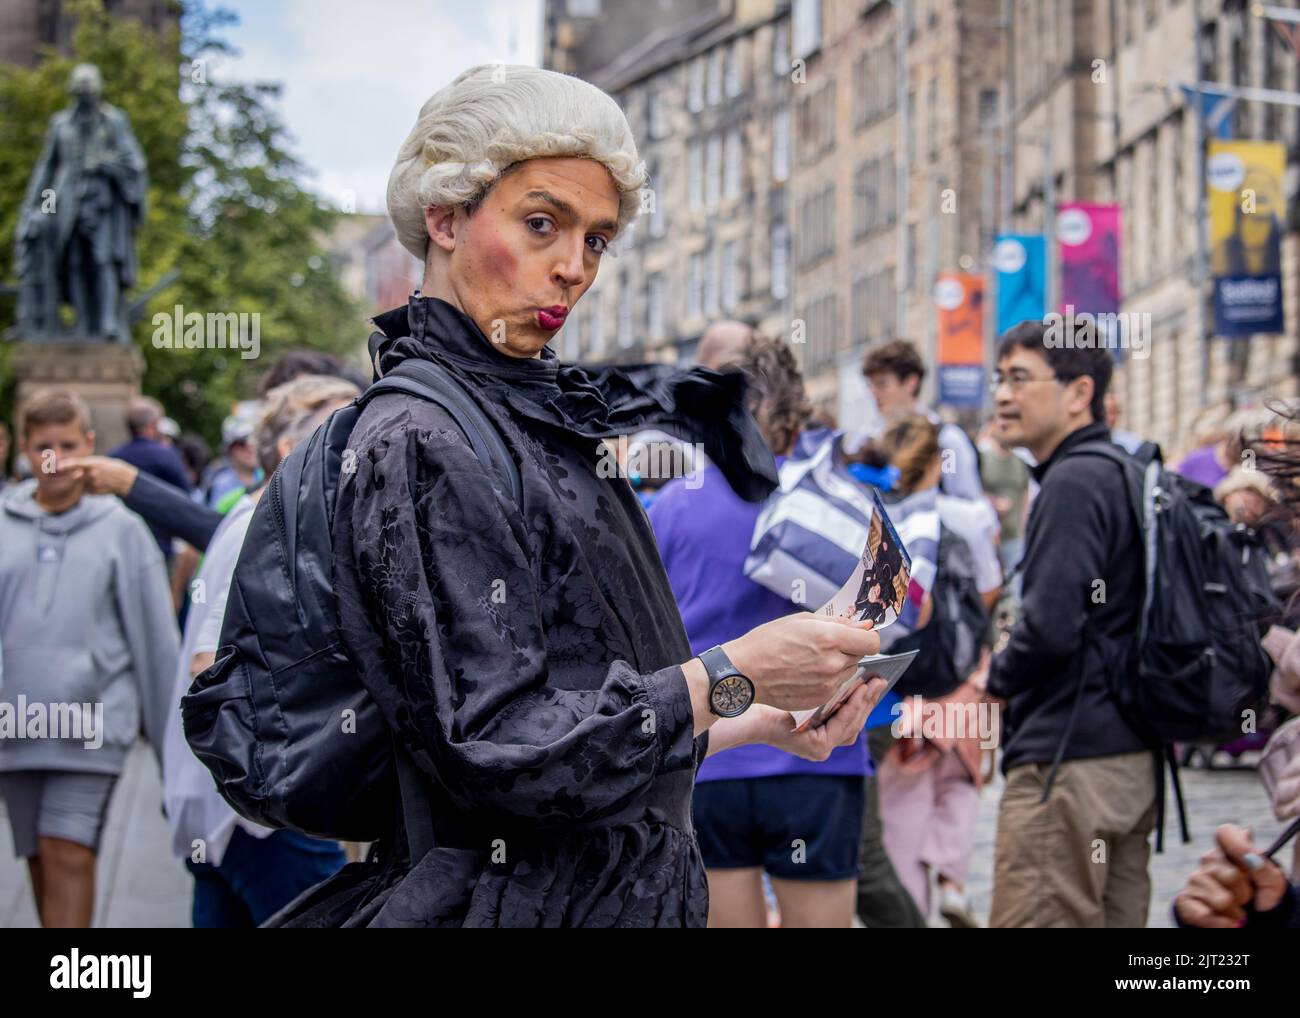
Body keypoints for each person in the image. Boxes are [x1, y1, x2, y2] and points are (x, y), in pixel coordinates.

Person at [263, 64, 886, 929]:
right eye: (542, 224)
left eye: (595, 239)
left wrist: (759, 712)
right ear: (443, 217)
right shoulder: (426, 436)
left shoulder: (532, 413)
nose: (572, 268)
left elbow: (595, 720)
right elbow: (503, 749)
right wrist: (732, 670)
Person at [651, 335, 885, 928]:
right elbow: (906, 606)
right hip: (818, 757)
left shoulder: (673, 504)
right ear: (795, 409)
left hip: (712, 759)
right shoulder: (841, 503)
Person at [163, 376, 356, 927]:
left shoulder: (260, 511)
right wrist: (288, 785)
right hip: (262, 820)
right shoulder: (272, 524)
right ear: (293, 451)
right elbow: (210, 668)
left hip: (227, 811)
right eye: (344, 436)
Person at [984, 320, 1154, 928]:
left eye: (1020, 379)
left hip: (1068, 764)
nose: (1002, 394)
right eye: (999, 378)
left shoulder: (1074, 480)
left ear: (1079, 393)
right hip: (1128, 758)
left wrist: (993, 679)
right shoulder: (1124, 469)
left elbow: (1050, 627)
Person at [0, 389, 178, 927]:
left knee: (67, 853)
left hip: (90, 731)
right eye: (44, 446)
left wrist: (177, 755)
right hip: (15, 729)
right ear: (25, 450)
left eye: (68, 445)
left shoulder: (120, 530)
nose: (56, 458)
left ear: (91, 446)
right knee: (37, 858)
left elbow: (154, 642)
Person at [868, 416, 1001, 927]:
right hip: (958, 678)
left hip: (897, 678)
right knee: (961, 781)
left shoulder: (876, 513)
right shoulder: (967, 515)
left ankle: (913, 909)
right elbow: (988, 591)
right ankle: (951, 878)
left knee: (901, 801)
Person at [860, 339, 983, 500]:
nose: (874, 393)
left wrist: (918, 505)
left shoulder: (946, 442)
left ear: (911, 383)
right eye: (871, 385)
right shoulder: (868, 436)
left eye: (882, 384)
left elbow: (967, 502)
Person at [108, 396, 192, 561]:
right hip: (159, 545)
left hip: (122, 545)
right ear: (153, 424)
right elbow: (185, 496)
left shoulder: (114, 458)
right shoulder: (165, 455)